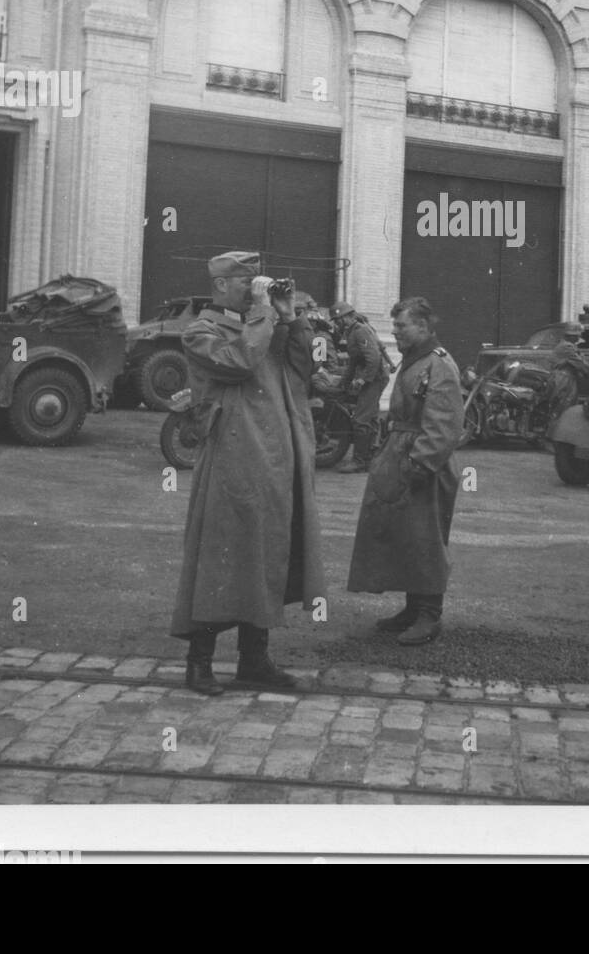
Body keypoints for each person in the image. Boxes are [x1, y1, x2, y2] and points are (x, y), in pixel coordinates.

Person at [169, 253, 327, 696]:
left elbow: (305, 367)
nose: (253, 287)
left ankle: (254, 661)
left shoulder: (265, 324)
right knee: (219, 556)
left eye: (255, 280)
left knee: (265, 558)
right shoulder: (202, 332)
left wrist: (292, 319)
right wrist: (263, 313)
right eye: (244, 280)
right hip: (231, 463)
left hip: (276, 461)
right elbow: (240, 362)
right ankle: (198, 663)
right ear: (219, 285)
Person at [347, 297, 464, 646]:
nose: (395, 331)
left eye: (402, 326)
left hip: (423, 466)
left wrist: (418, 465)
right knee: (407, 538)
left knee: (425, 540)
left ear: (424, 328)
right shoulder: (415, 361)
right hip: (402, 456)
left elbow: (444, 426)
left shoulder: (438, 365)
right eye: (394, 325)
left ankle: (430, 615)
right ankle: (413, 610)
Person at [331, 301, 393, 474]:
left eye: (338, 319)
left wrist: (363, 380)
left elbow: (373, 358)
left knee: (360, 419)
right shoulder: (352, 332)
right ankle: (371, 457)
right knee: (370, 416)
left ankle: (359, 461)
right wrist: (344, 381)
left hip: (375, 378)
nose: (337, 323)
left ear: (348, 317)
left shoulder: (360, 331)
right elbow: (354, 361)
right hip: (373, 377)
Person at [543, 323, 589, 426]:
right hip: (563, 378)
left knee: (563, 405)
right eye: (577, 336)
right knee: (563, 406)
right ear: (571, 336)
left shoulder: (566, 345)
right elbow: (580, 363)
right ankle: (555, 431)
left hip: (565, 377)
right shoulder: (567, 346)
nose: (578, 338)